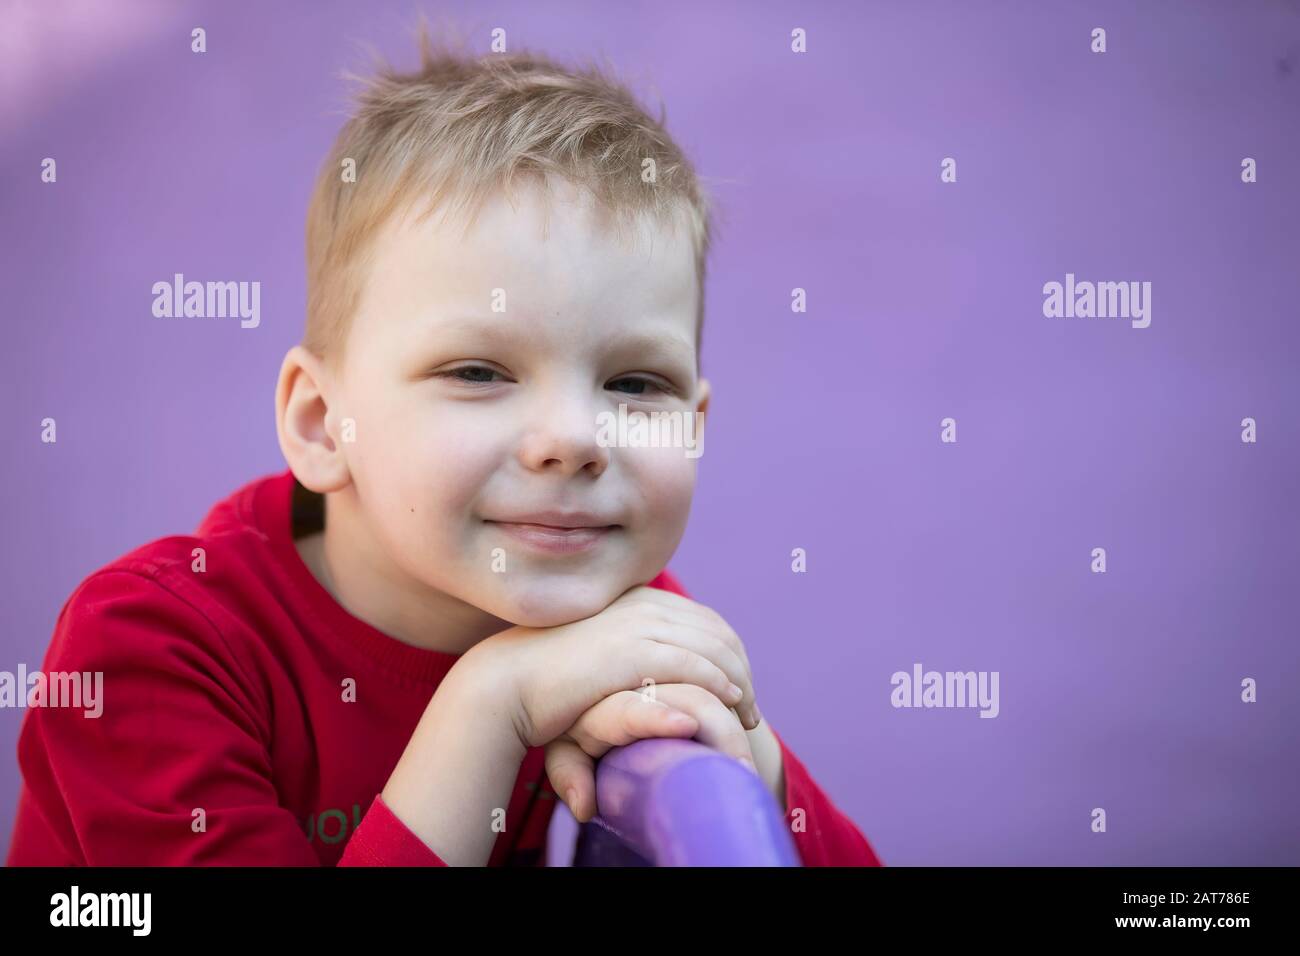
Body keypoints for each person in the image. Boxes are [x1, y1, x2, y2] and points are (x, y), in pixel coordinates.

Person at [6, 34, 882, 868]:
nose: (575, 439)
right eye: (477, 371)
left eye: (634, 385)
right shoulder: (150, 649)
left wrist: (751, 759)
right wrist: (489, 707)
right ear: (321, 423)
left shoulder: (613, 612)